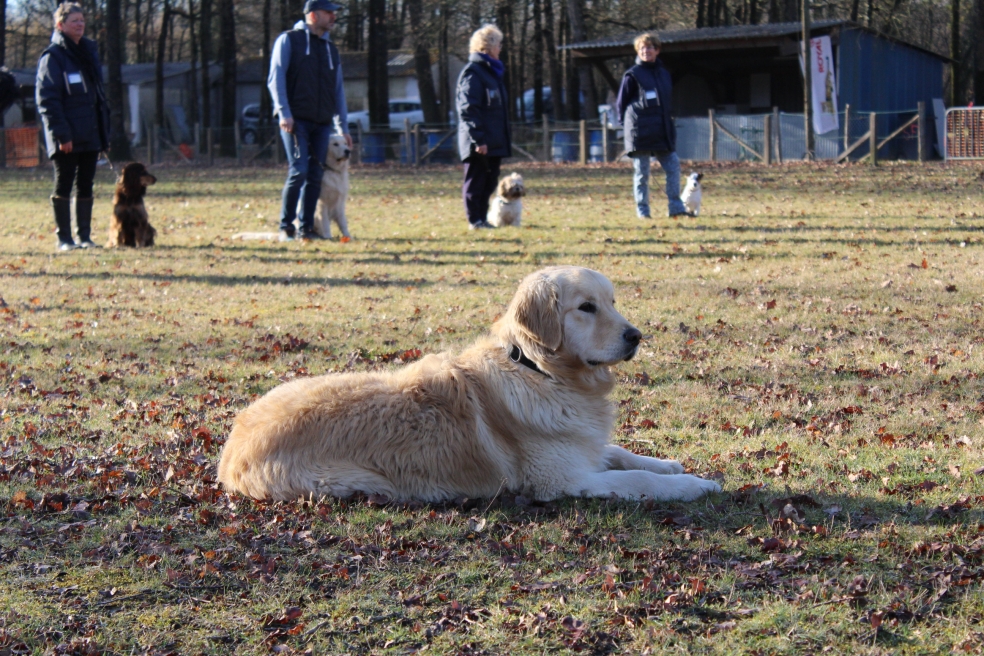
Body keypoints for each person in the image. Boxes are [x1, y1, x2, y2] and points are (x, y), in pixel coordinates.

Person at [268, 0, 351, 242]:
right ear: (313, 15)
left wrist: (342, 127)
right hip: (296, 122)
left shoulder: (331, 50)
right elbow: (276, 78)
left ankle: (307, 229)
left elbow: (338, 91)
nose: (333, 17)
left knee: (315, 174)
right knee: (299, 171)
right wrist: (283, 112)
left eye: (334, 13)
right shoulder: (289, 40)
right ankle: (286, 228)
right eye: (328, 13)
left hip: (322, 124)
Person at [36, 2, 110, 251]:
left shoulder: (89, 53)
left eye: (82, 20)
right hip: (66, 135)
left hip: (89, 133)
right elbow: (48, 99)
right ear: (60, 25)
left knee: (86, 183)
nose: (80, 24)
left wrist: (102, 132)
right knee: (64, 182)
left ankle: (85, 237)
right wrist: (61, 134)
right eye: (74, 21)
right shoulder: (53, 57)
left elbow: (97, 97)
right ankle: (64, 239)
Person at [616, 33, 691, 219]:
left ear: (657, 50)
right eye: (642, 48)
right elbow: (621, 103)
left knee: (673, 167)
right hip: (639, 131)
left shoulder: (664, 74)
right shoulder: (632, 75)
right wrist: (625, 127)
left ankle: (676, 208)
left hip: (662, 131)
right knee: (642, 173)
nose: (645, 51)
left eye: (649, 47)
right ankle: (643, 211)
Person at [456, 25, 511, 230]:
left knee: (489, 182)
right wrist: (478, 139)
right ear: (487, 47)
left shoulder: (492, 73)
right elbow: (469, 108)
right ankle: (475, 221)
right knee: (476, 182)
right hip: (479, 141)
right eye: (498, 43)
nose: (501, 48)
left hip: (494, 140)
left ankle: (482, 218)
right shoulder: (474, 74)